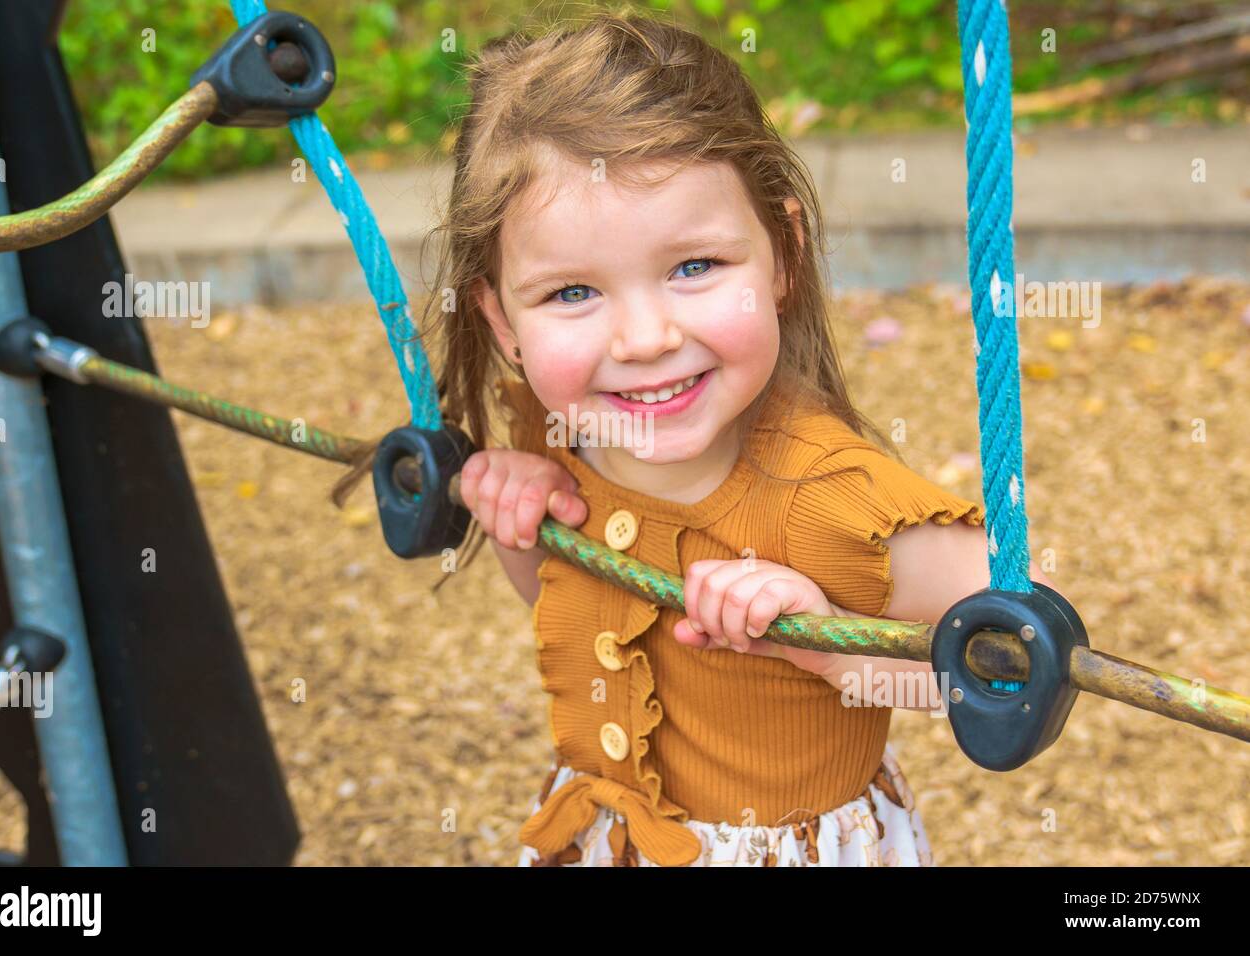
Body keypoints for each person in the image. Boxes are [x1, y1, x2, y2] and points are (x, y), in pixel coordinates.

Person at [341, 9, 1053, 866]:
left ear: (782, 256)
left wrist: (829, 648)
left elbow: (1016, 650)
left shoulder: (824, 497)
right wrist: (518, 517)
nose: (643, 338)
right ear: (500, 320)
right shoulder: (563, 428)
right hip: (617, 832)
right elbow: (563, 602)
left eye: (694, 268)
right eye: (571, 292)